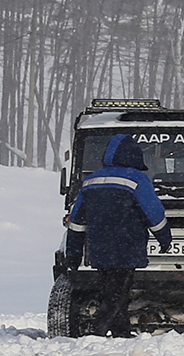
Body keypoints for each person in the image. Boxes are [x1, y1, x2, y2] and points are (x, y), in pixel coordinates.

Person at [63, 133, 171, 337]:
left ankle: (121, 330)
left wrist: (74, 254)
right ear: (135, 157)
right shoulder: (137, 179)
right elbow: (153, 213)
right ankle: (99, 330)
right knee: (118, 291)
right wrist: (164, 238)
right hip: (127, 245)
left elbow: (77, 221)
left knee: (110, 288)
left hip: (100, 247)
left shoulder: (90, 181)